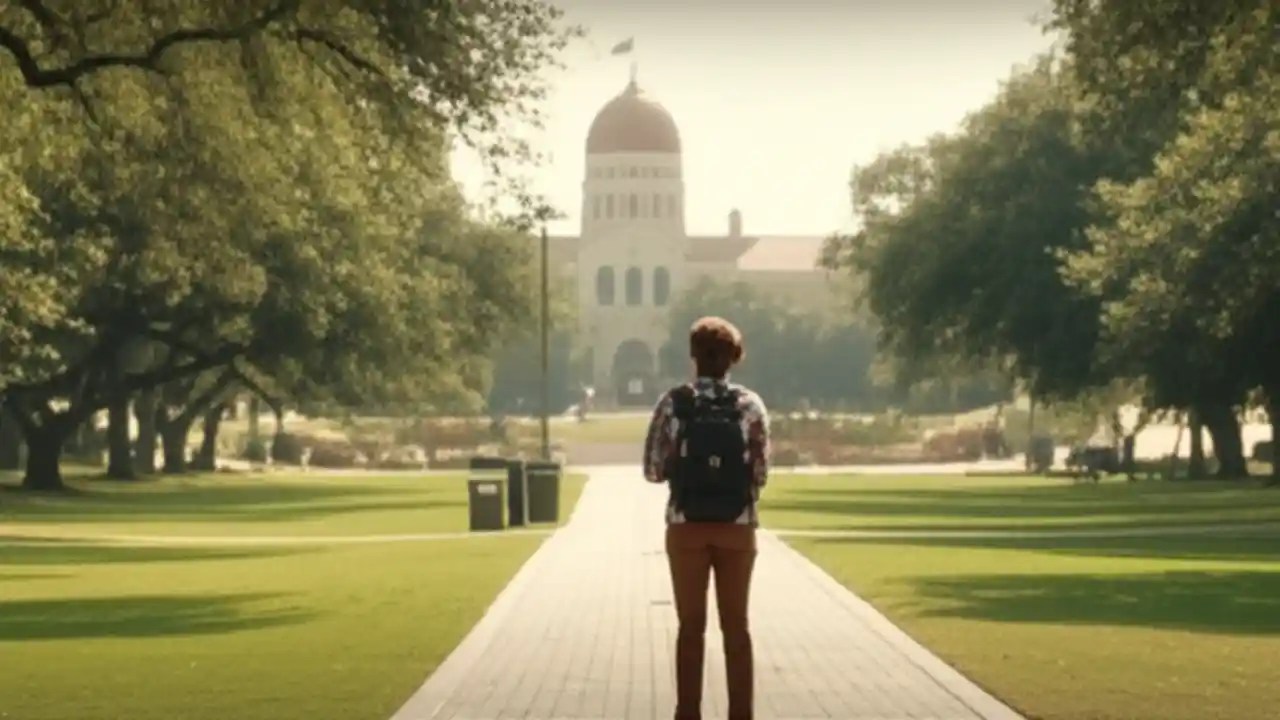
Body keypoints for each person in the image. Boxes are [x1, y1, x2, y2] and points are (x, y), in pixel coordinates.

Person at [643, 316, 770, 720]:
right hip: (737, 527)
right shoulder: (749, 405)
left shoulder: (674, 402)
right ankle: (740, 714)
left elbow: (652, 470)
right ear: (734, 358)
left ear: (694, 355)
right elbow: (761, 472)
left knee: (690, 627)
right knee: (736, 627)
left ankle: (688, 712)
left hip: (686, 526)